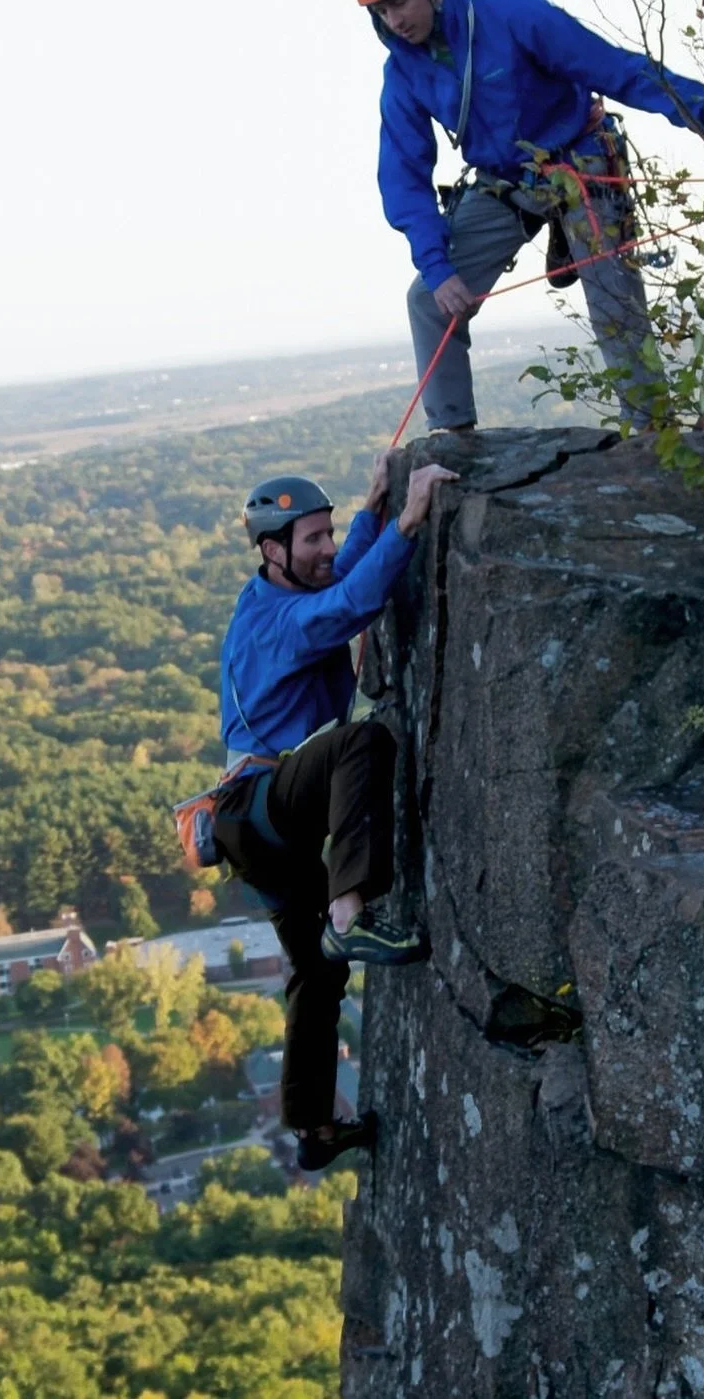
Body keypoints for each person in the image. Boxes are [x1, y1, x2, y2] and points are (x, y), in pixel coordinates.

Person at [351, 0, 704, 432]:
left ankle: (652, 435)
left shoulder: (514, 17)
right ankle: (452, 438)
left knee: (612, 299)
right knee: (427, 301)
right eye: (382, 10)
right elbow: (403, 178)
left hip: (580, 160)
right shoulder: (403, 76)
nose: (395, 20)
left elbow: (615, 69)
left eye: (400, 2)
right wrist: (438, 268)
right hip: (506, 182)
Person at [214, 454, 455, 1170]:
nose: (324, 549)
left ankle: (314, 1128)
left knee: (314, 977)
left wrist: (371, 512)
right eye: (310, 539)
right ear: (272, 550)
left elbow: (337, 578)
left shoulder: (274, 592)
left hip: (258, 831)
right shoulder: (276, 624)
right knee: (362, 742)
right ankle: (349, 911)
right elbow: (344, 606)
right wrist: (408, 521)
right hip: (262, 802)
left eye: (325, 533)